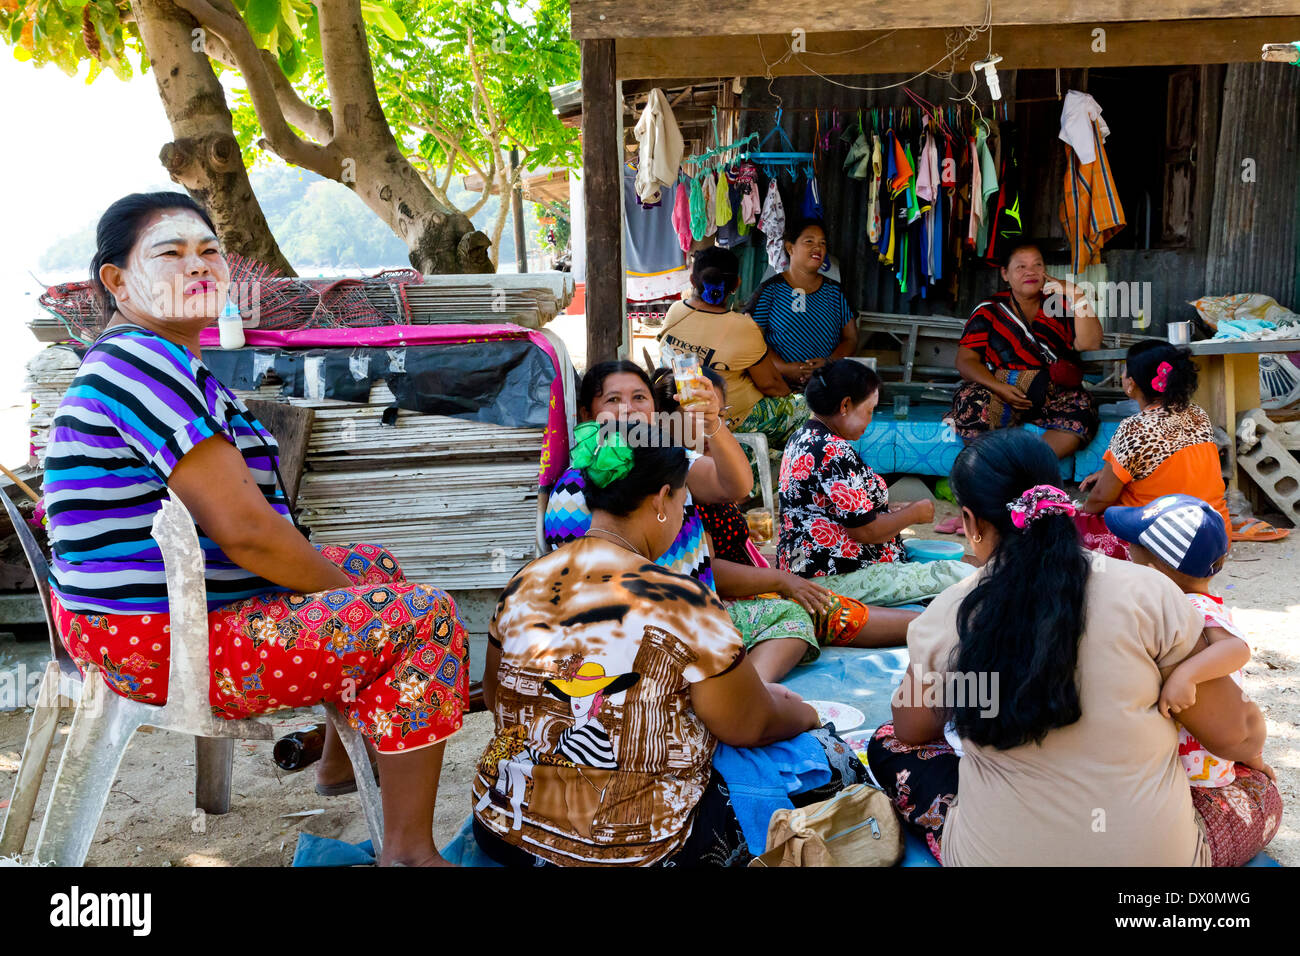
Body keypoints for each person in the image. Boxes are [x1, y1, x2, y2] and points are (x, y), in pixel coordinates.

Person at [44, 192, 467, 866]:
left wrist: (344, 589)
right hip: (160, 646)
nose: (198, 265)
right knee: (421, 620)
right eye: (171, 253)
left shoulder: (163, 361)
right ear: (117, 281)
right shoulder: (145, 368)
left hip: (154, 624)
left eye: (209, 250)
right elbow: (247, 534)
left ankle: (334, 759)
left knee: (375, 567)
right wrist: (335, 600)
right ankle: (410, 854)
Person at [866, 429, 1281, 866]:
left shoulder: (947, 614)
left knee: (887, 742)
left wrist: (978, 694)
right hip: (1152, 856)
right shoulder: (1150, 593)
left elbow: (912, 731)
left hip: (993, 856)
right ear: (1058, 500)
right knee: (1258, 787)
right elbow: (1235, 735)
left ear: (970, 523)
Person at [472, 434, 836, 866]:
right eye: (683, 502)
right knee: (827, 758)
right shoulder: (679, 598)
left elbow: (496, 698)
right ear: (663, 497)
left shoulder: (524, 582)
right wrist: (806, 715)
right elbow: (748, 726)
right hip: (635, 853)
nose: (683, 514)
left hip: (501, 832)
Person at [655, 367, 919, 682]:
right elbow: (712, 570)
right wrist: (778, 580)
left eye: (719, 414)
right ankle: (747, 696)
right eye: (701, 416)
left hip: (767, 582)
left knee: (834, 607)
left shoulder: (711, 469)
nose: (715, 426)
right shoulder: (679, 477)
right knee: (815, 612)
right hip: (737, 598)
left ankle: (932, 626)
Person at [1104, 495, 1280, 866]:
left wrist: (1186, 674)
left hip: (1197, 770)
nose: (1124, 553)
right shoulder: (1188, 604)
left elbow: (1236, 651)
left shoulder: (1195, 609)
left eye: (1130, 550)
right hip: (1194, 757)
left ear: (1155, 569)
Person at [542, 360, 751, 589]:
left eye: (639, 397)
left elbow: (736, 487)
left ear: (655, 409)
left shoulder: (672, 459)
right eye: (613, 400)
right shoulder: (570, 493)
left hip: (700, 613)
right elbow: (583, 590)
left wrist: (712, 423)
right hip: (650, 619)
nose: (629, 409)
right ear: (587, 414)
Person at [949, 240, 1103, 460]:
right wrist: (999, 387)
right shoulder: (989, 310)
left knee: (1083, 406)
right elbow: (965, 360)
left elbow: (1089, 344)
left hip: (1050, 392)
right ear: (1005, 274)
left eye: (1037, 265)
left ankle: (1027, 464)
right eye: (1021, 266)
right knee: (968, 399)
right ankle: (988, 462)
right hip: (1000, 389)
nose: (1030, 272)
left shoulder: (1059, 306)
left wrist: (1077, 295)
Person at [1076, 341, 1229, 557]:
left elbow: (1101, 498)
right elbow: (1169, 461)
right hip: (1214, 539)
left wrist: (1082, 513)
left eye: (1125, 370)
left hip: (1163, 547)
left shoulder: (1134, 427)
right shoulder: (1198, 414)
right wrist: (1108, 473)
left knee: (1070, 524)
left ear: (1131, 384)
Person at [656, 245, 795, 436]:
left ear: (692, 281)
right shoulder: (743, 327)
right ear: (736, 284)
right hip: (725, 419)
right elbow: (771, 385)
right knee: (802, 407)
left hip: (677, 413)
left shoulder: (676, 311)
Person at [745, 218, 857, 401]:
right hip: (778, 391)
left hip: (826, 390)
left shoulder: (835, 291)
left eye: (822, 243)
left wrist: (829, 363)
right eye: (809, 241)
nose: (818, 248)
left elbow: (851, 338)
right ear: (790, 248)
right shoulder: (771, 290)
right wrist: (785, 368)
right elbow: (751, 340)